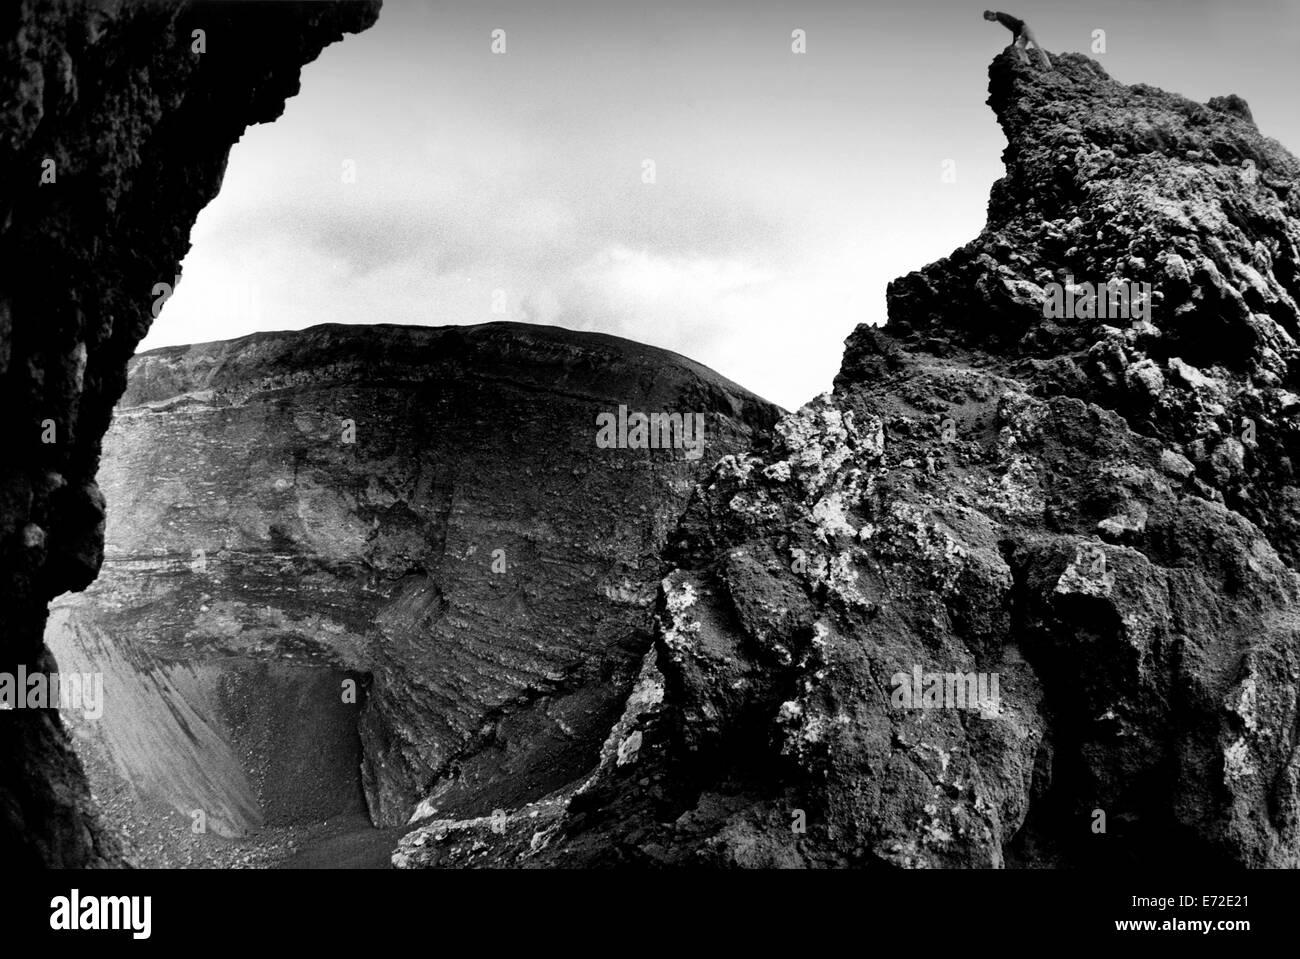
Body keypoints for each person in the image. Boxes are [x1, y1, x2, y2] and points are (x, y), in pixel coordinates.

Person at [983, 10, 1052, 70]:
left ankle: (1048, 66)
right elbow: (1013, 28)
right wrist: (1013, 42)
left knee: (1037, 47)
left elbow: (1013, 24)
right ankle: (1027, 64)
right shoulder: (1000, 18)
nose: (991, 21)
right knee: (1020, 48)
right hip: (1021, 32)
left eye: (989, 19)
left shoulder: (999, 15)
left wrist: (1016, 37)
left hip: (1025, 29)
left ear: (990, 15)